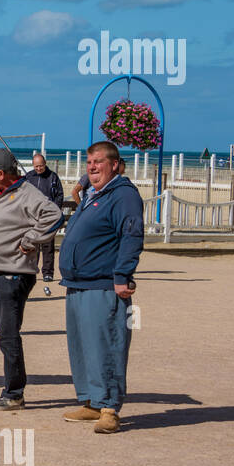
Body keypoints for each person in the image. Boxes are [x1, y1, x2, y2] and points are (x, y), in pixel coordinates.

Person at [0, 150, 62, 411]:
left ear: (0, 173)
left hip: (13, 275)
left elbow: (54, 216)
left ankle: (14, 393)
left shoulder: (28, 194)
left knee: (8, 336)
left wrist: (30, 240)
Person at [58, 140, 144, 434]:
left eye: (99, 162)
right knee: (82, 347)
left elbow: (131, 236)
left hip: (104, 284)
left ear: (115, 165)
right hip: (78, 282)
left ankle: (109, 408)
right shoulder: (95, 193)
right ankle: (92, 401)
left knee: (107, 345)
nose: (92, 167)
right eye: (89, 162)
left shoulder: (123, 196)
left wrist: (122, 275)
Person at [23, 154, 65, 284]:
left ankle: (48, 273)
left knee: (48, 246)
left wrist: (54, 211)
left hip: (48, 217)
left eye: (41, 166)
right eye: (36, 166)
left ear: (45, 163)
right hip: (32, 216)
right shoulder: (29, 177)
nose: (39, 168)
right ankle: (32, 270)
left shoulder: (53, 177)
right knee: (32, 244)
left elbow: (59, 195)